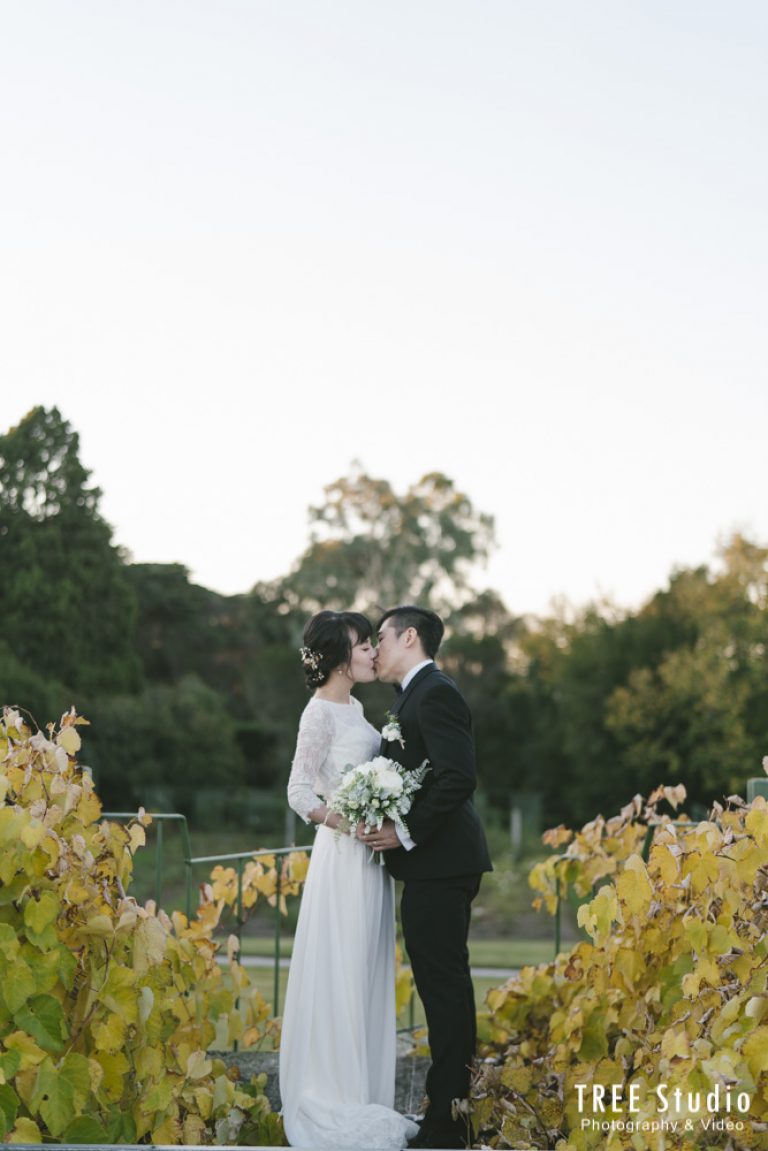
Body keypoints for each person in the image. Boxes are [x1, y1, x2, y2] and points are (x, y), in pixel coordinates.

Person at [279, 609, 419, 1151]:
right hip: (342, 858)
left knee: (364, 965)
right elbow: (298, 792)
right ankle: (333, 1093)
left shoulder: (357, 708)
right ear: (341, 656)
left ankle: (360, 1089)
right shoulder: (317, 715)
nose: (372, 654)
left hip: (369, 865)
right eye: (364, 646)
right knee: (340, 965)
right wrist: (351, 825)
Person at [359, 605, 492, 1151]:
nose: (375, 649)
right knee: (443, 991)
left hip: (442, 864)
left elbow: (459, 777)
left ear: (409, 637)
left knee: (445, 992)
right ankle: (446, 1114)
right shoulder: (413, 696)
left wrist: (404, 831)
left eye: (382, 638)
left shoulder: (435, 691)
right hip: (435, 868)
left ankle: (449, 1125)